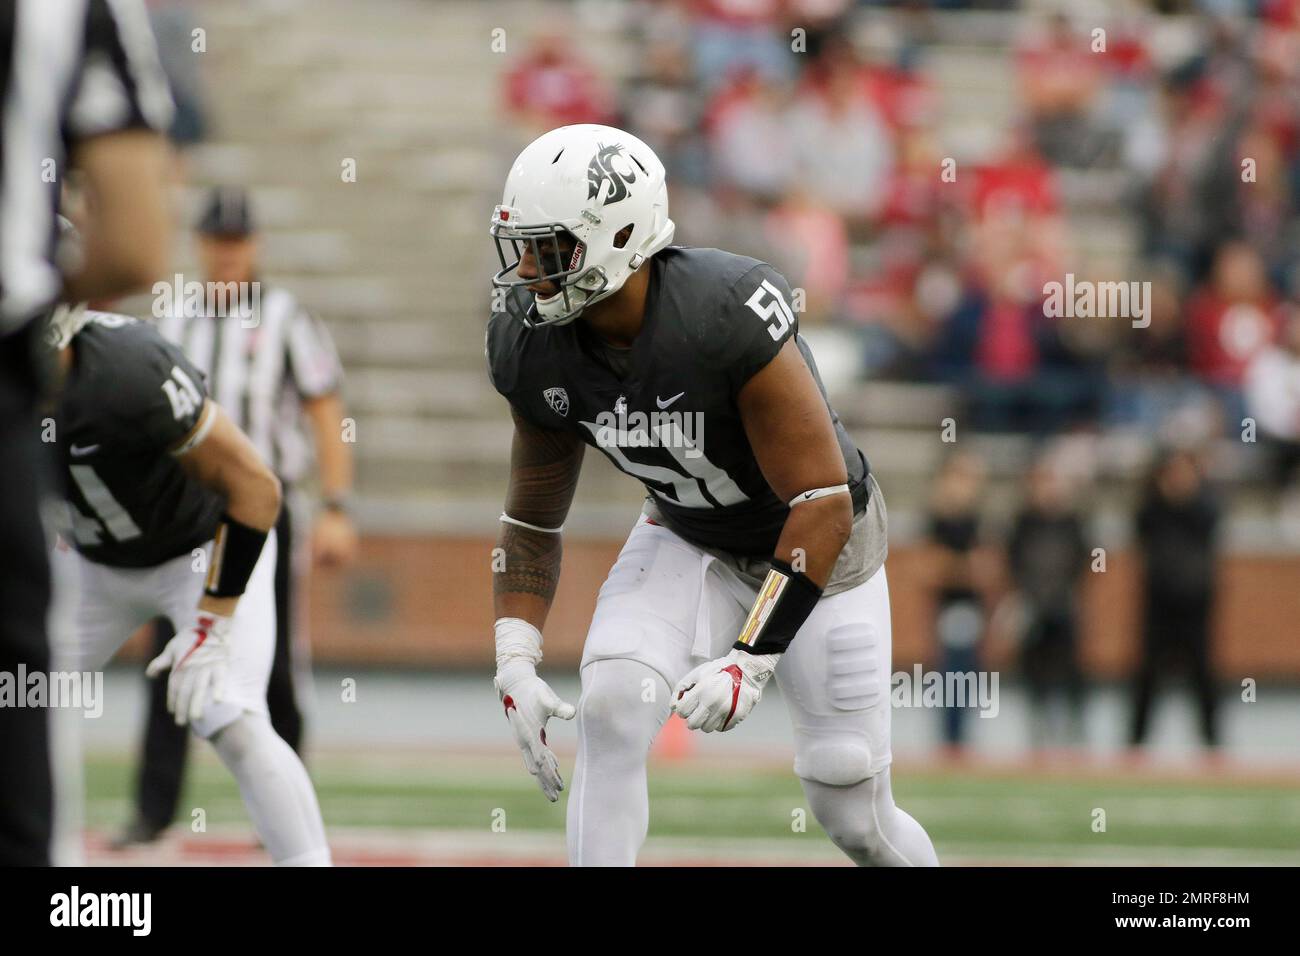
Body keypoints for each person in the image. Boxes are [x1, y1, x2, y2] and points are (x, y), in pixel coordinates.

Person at [486, 124, 937, 866]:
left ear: (619, 237)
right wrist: (515, 657)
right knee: (612, 703)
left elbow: (821, 500)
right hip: (688, 531)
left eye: (550, 248)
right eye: (525, 247)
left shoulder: (722, 313)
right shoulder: (535, 346)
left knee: (849, 800)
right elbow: (530, 521)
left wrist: (748, 658)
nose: (529, 270)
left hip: (823, 546)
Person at [46, 302, 331, 866]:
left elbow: (256, 487)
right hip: (90, 560)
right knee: (23, 700)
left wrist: (210, 622)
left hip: (198, 550)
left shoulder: (129, 370)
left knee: (230, 716)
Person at [113, 186, 356, 847]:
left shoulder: (285, 317)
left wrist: (335, 505)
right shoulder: (174, 320)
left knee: (274, 666)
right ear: (201, 246)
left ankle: (284, 817)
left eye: (236, 241)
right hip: (185, 516)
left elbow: (325, 412)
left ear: (254, 246)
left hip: (263, 511)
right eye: (216, 242)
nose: (226, 255)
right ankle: (153, 812)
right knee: (169, 655)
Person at [0, 0, 173, 866]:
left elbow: (249, 485)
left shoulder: (132, 370)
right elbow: (138, 241)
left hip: (179, 557)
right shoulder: (66, 15)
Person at [1129, 449, 1221, 750]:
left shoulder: (1203, 509)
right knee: (1147, 675)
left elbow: (1211, 517)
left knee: (1203, 676)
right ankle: (1136, 742)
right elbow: (1142, 524)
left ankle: (1211, 742)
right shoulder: (1152, 511)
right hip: (1159, 605)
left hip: (1195, 606)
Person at [1007, 457, 1090, 751]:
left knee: (1070, 668)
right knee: (1034, 669)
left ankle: (1073, 730)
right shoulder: (1023, 522)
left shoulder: (1072, 522)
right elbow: (1013, 562)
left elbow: (1083, 562)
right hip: (1033, 604)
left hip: (1062, 604)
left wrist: (1062, 592)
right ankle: (1039, 731)